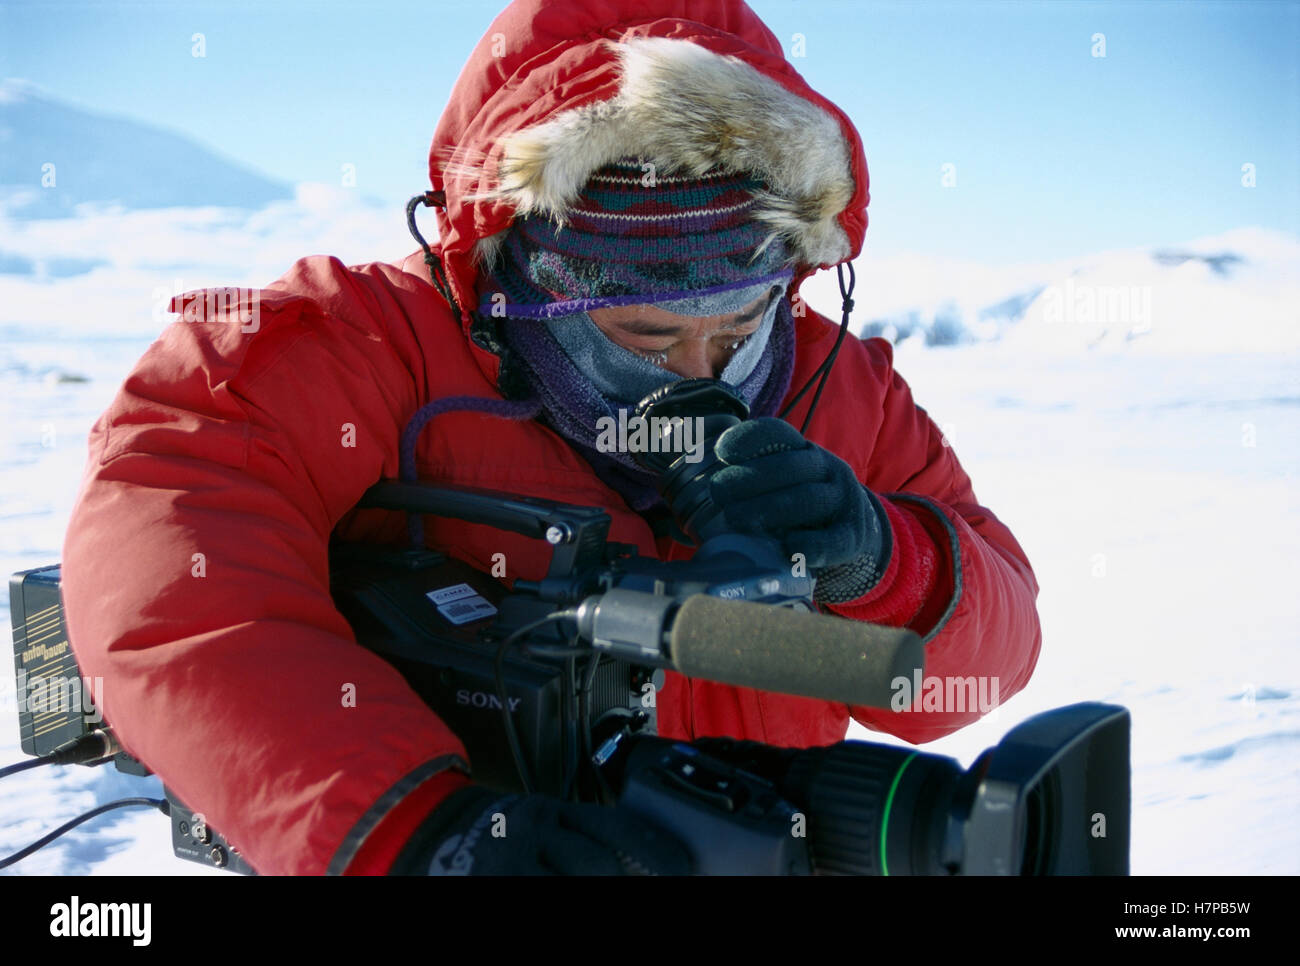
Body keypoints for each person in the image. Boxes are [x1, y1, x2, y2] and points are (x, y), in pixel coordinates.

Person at [60, 0, 1041, 876]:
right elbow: (176, 579)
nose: (701, 377)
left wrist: (886, 562)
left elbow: (978, 663)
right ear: (517, 282)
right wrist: (414, 834)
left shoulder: (847, 392)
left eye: (739, 330)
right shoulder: (363, 348)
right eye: (647, 336)